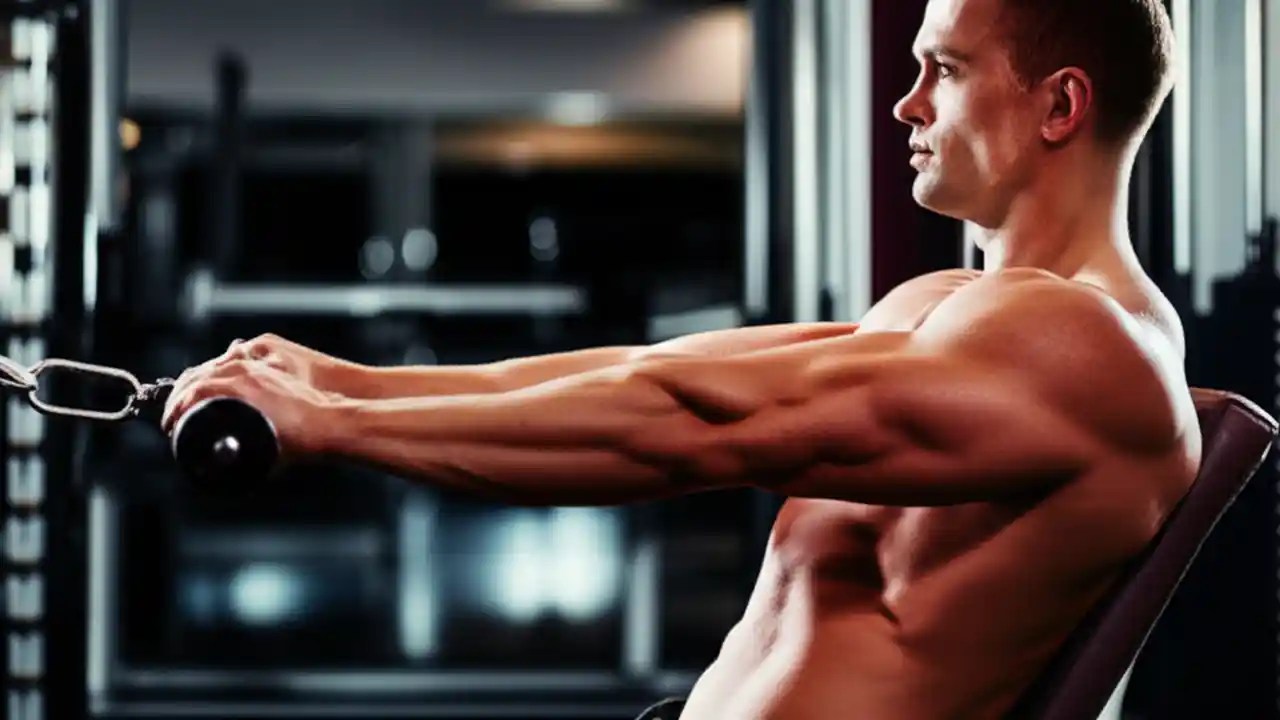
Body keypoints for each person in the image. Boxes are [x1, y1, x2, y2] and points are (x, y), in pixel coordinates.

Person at [162, 0, 1202, 717]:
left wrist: (343, 428)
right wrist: (336, 379)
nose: (907, 103)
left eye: (945, 69)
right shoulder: (944, 307)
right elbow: (662, 368)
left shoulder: (1089, 348)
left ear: (1058, 106)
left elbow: (697, 426)